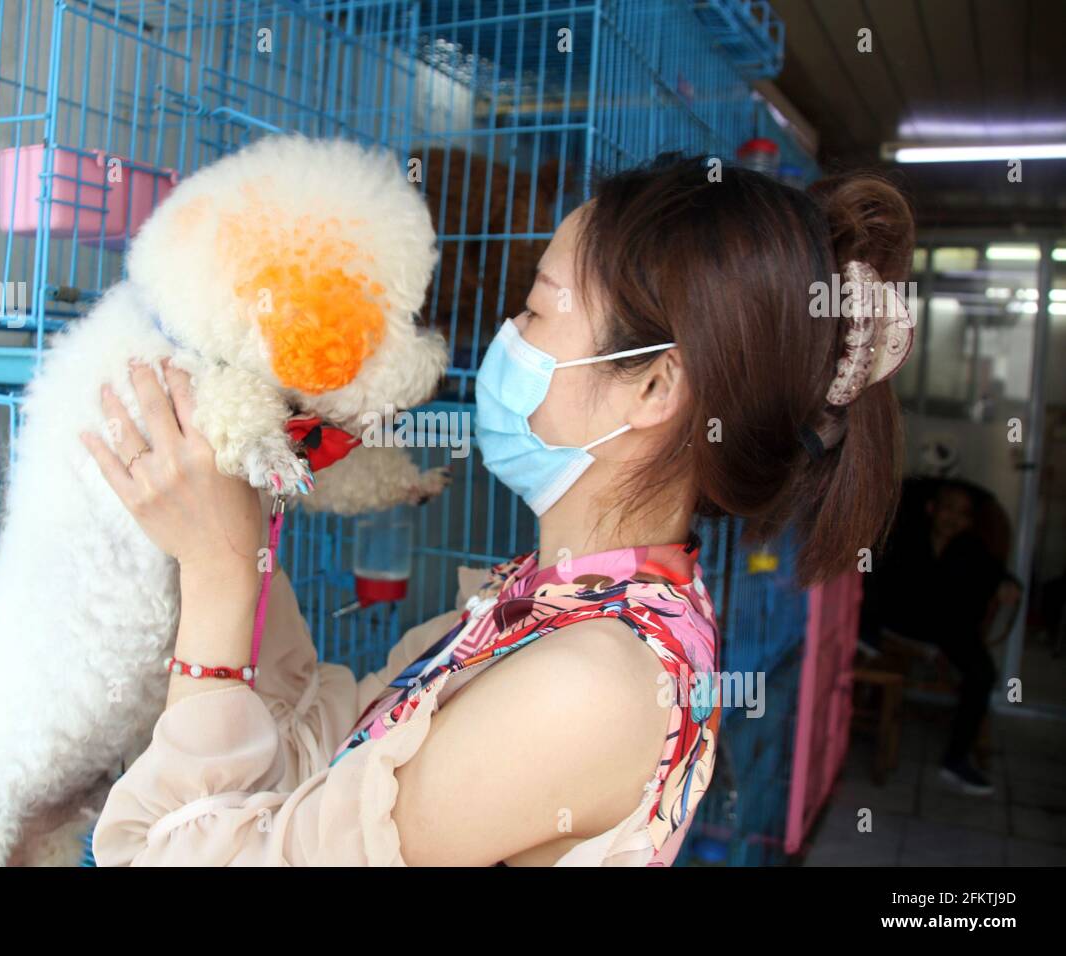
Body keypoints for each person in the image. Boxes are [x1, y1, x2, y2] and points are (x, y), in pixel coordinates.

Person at [79, 155, 914, 866]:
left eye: (535, 308)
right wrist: (241, 529)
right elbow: (328, 760)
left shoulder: (591, 690)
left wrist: (223, 576)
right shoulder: (559, 600)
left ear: (657, 385)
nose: (503, 336)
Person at [860, 478, 1021, 796]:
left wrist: (1007, 584)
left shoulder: (972, 549)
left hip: (950, 629)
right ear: (932, 509)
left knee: (983, 673)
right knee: (865, 595)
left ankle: (956, 760)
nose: (954, 518)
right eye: (948, 509)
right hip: (900, 624)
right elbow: (872, 580)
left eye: (963, 514)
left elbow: (998, 574)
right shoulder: (905, 538)